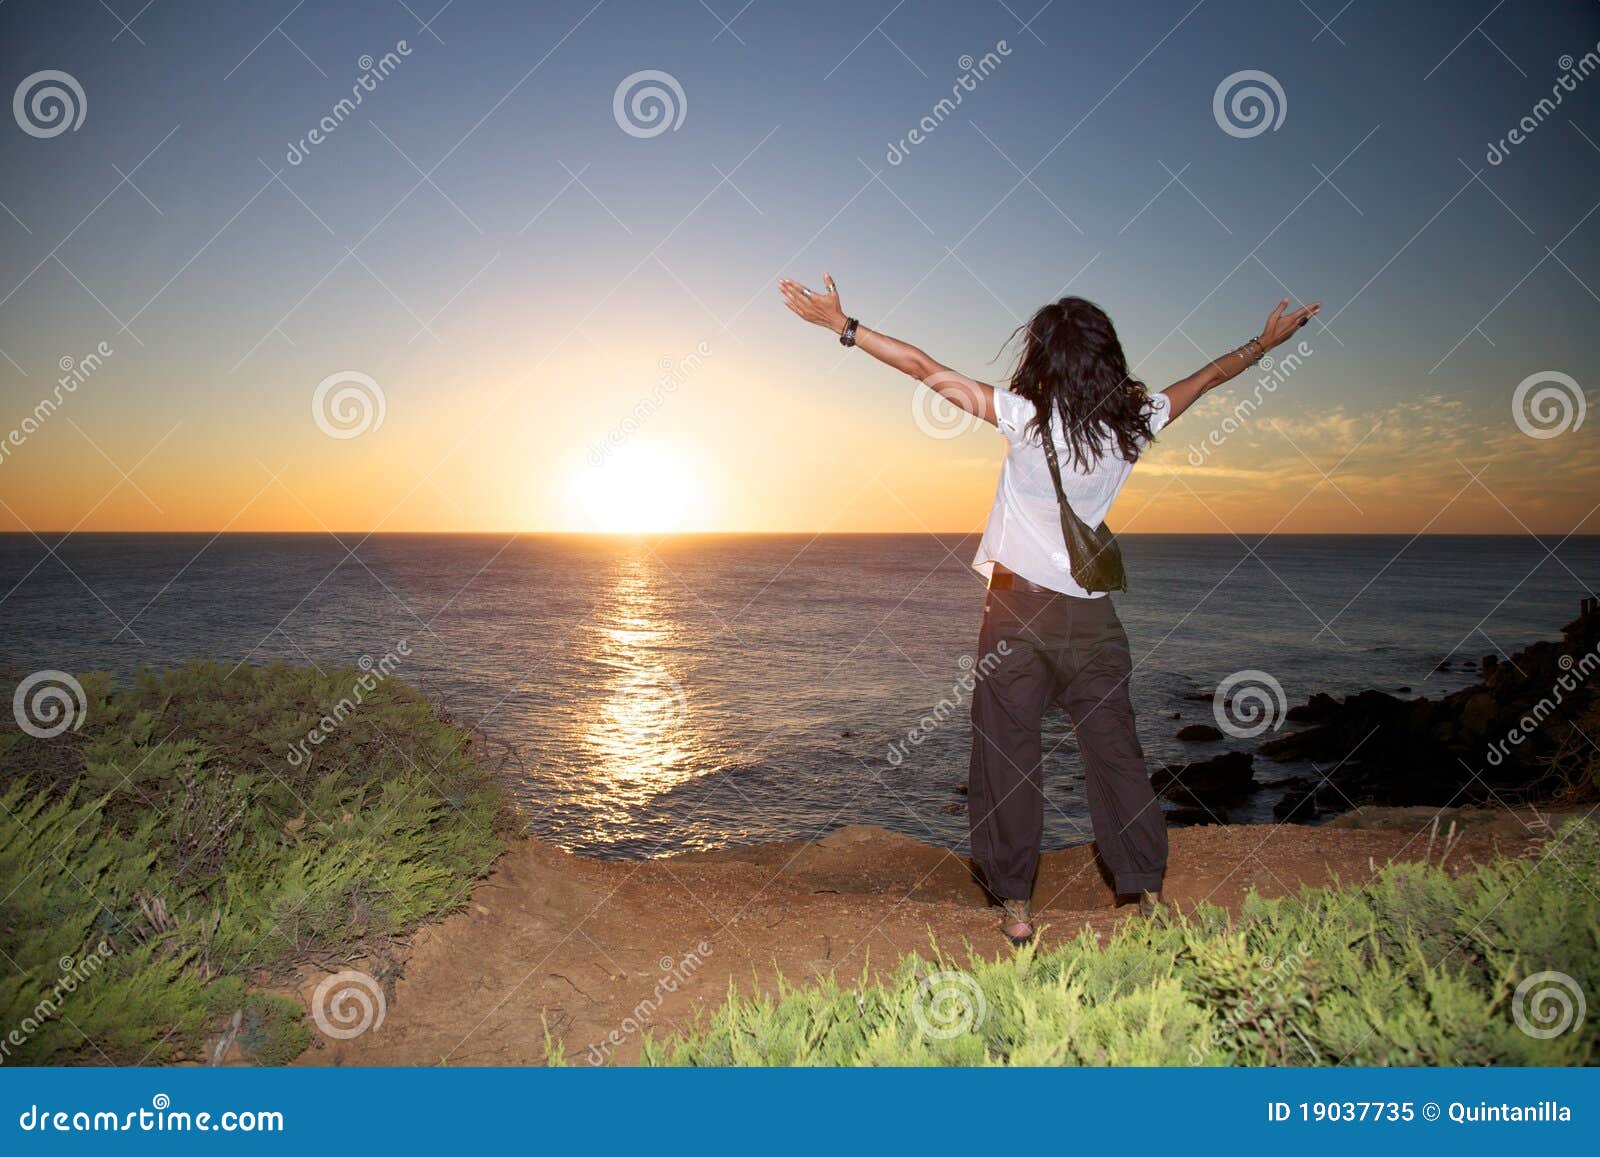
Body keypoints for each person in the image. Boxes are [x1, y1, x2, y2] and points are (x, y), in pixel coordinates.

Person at [779, 275, 1320, 944]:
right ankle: (1144, 891)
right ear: (1106, 355)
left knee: (1007, 757)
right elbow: (1207, 377)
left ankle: (1016, 908)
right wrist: (1263, 344)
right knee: (1116, 755)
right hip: (1093, 622)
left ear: (1045, 358)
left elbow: (924, 368)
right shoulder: (1138, 419)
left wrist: (844, 325)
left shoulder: (1024, 418)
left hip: (1017, 619)